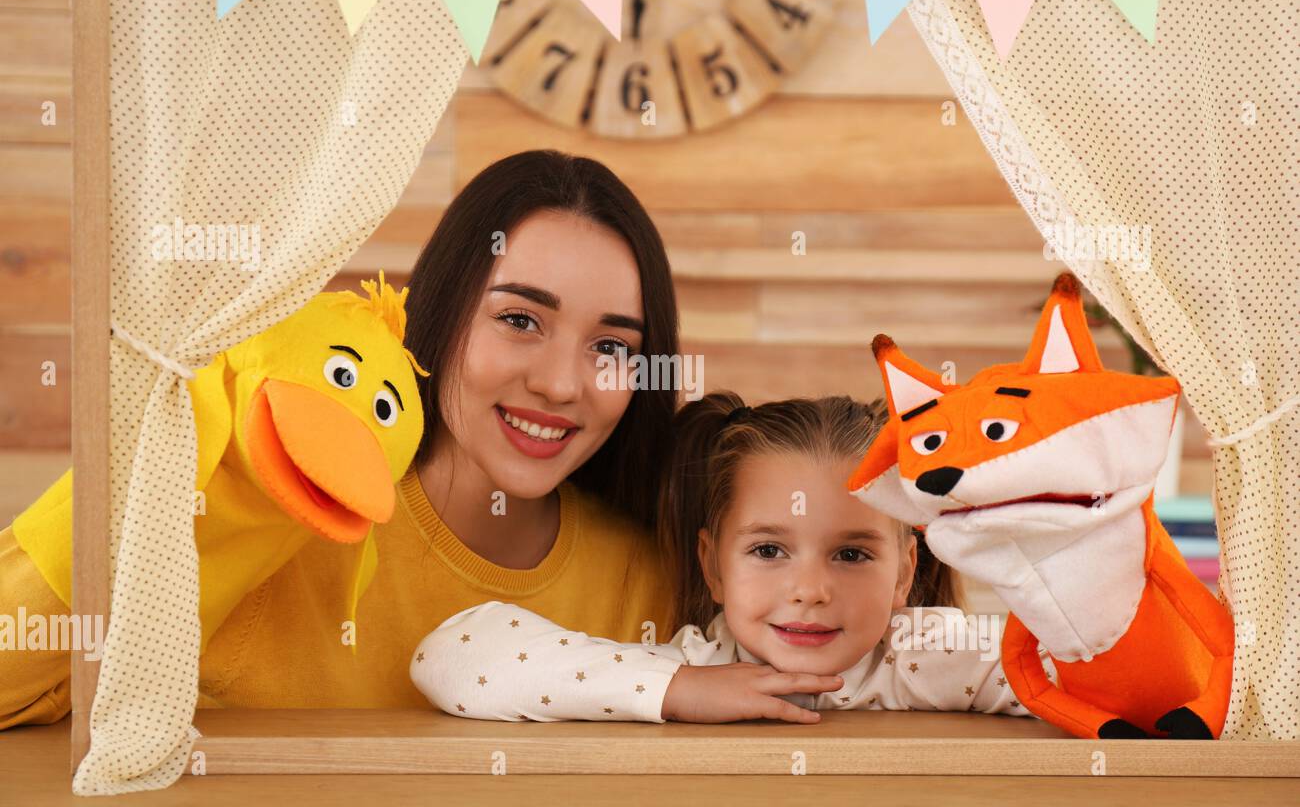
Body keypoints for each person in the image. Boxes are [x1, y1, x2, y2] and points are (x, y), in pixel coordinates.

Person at [0, 150, 682, 728]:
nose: (563, 385)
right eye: (521, 320)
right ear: (439, 314)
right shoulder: (272, 506)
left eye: (611, 346)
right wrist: (205, 441)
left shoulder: (650, 578)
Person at [410, 393, 1053, 723]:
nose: (809, 590)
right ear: (714, 566)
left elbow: (1100, 673)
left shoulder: (932, 655)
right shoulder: (694, 666)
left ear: (905, 572)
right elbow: (450, 659)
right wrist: (679, 691)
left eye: (851, 554)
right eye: (769, 549)